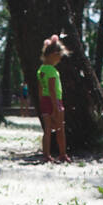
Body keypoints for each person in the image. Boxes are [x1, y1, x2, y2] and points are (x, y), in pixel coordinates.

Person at [37, 35, 70, 163]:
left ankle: (46, 154)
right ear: (54, 55)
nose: (60, 59)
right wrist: (56, 107)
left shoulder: (40, 70)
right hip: (54, 100)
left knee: (47, 130)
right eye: (59, 56)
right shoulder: (51, 70)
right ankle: (62, 154)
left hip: (44, 101)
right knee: (60, 128)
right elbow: (52, 89)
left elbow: (40, 89)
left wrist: (42, 104)